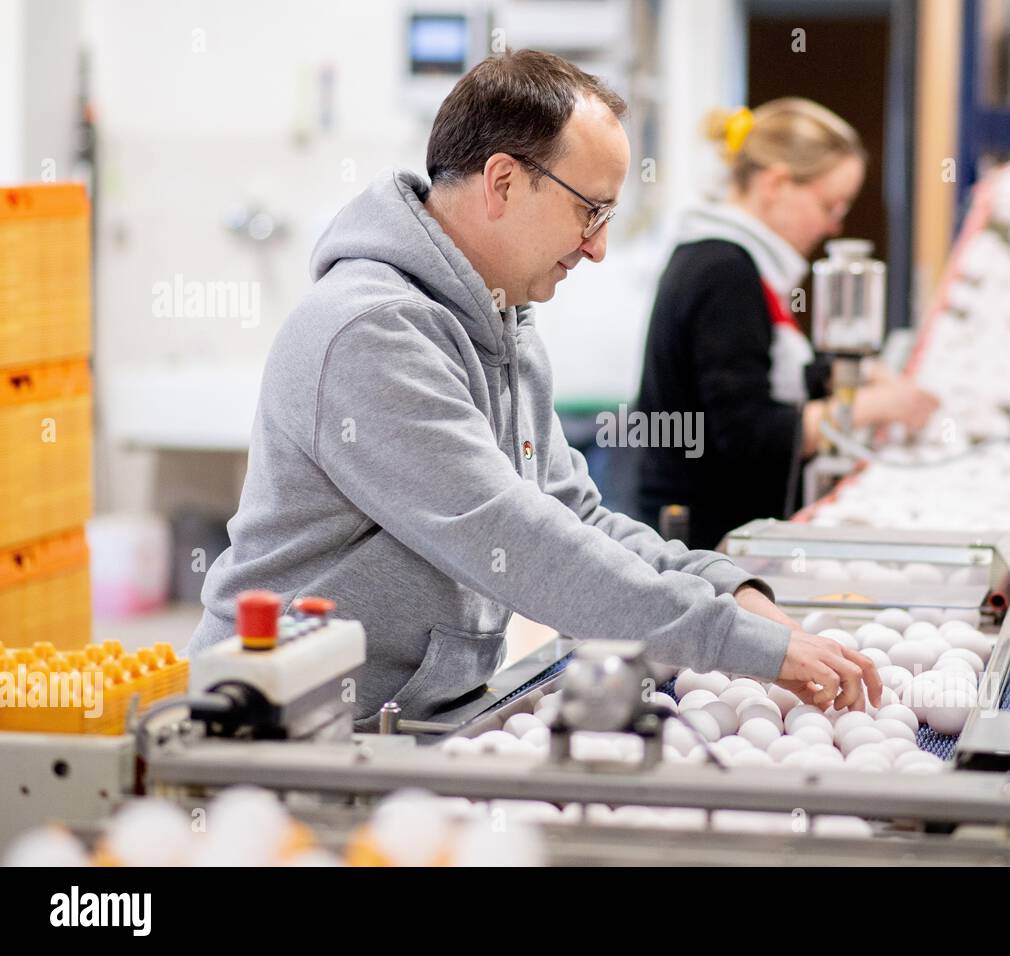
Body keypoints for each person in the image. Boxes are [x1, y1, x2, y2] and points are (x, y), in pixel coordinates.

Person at [185, 51, 880, 729]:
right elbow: (516, 539)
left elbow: (574, 516)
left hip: (421, 715)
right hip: (292, 723)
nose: (598, 247)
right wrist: (738, 643)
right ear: (504, 181)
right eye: (591, 211)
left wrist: (729, 590)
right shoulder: (372, 330)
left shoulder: (506, 322)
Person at [636, 99, 938, 550]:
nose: (834, 227)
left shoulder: (729, 259)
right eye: (831, 207)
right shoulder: (724, 272)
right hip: (704, 543)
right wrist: (875, 406)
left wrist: (846, 374)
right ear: (776, 184)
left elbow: (764, 372)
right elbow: (747, 434)